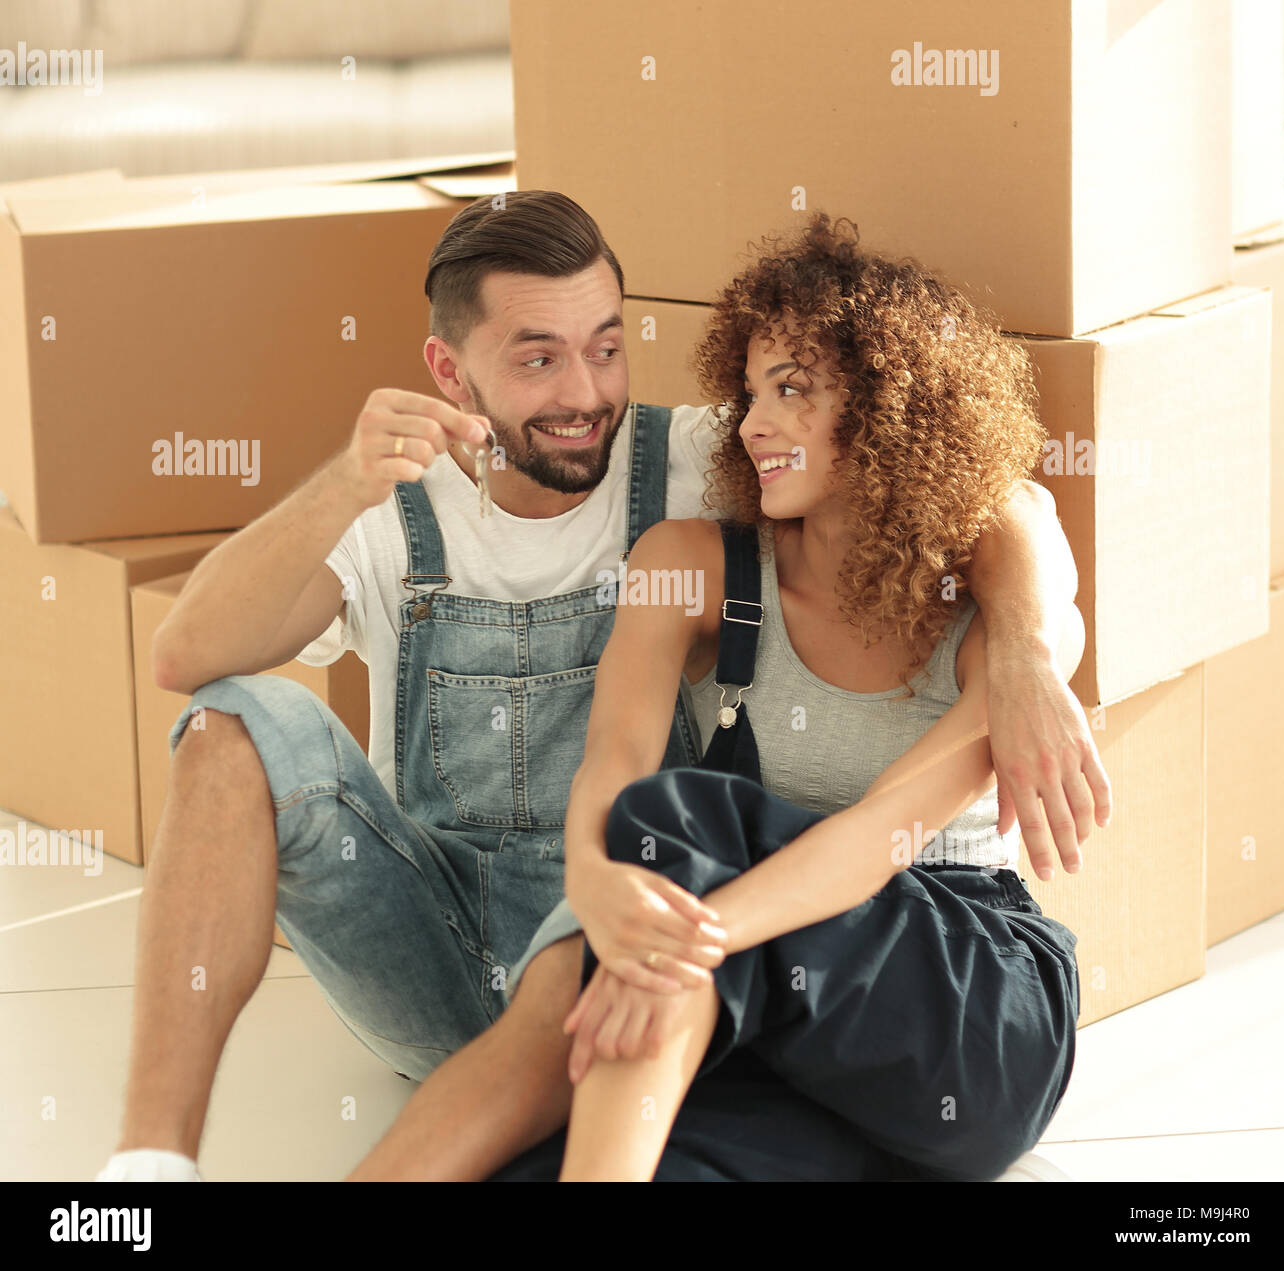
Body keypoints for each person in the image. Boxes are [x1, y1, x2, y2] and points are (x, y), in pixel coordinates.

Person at [94, 192, 1104, 1184]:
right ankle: (147, 1167)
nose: (584, 390)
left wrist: (1024, 648)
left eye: (606, 346)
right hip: (494, 942)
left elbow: (987, 488)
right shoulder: (395, 509)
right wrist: (341, 482)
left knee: (676, 827)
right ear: (450, 369)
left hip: (660, 932)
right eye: (538, 357)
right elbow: (185, 656)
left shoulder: (694, 462)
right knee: (233, 718)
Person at [491, 213, 1090, 1182]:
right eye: (749, 391)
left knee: (670, 819)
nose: (753, 422)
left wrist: (684, 935)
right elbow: (611, 756)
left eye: (792, 390)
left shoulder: (990, 624)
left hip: (969, 1006)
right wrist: (594, 884)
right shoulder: (695, 568)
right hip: (785, 1002)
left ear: (894, 406)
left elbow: (878, 839)